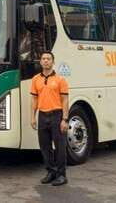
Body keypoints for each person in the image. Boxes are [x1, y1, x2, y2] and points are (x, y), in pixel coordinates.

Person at [30, 50, 70, 187]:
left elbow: (65, 100)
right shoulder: (36, 79)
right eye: (43, 59)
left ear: (53, 62)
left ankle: (61, 175)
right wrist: (32, 117)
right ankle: (51, 172)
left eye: (48, 59)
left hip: (57, 115)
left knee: (60, 147)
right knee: (45, 146)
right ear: (40, 62)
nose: (46, 61)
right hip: (42, 115)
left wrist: (65, 119)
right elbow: (34, 99)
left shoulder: (60, 80)